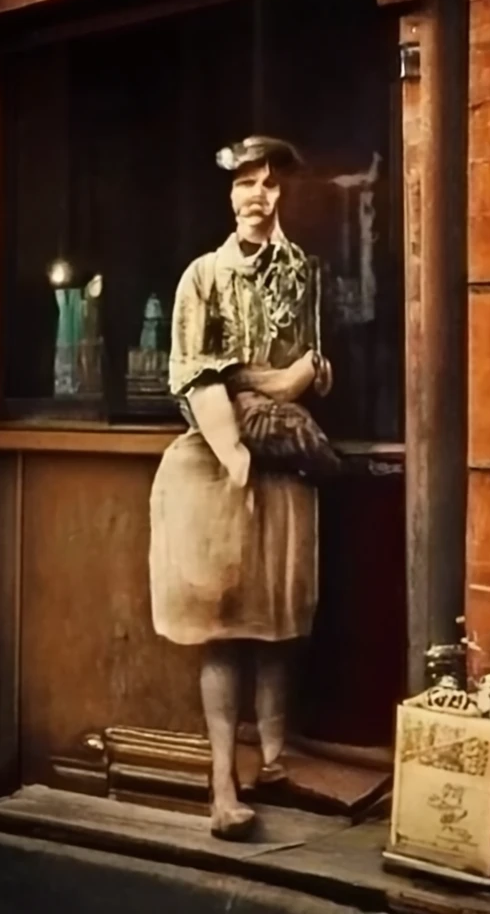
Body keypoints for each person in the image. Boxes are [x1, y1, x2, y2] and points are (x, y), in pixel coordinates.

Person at [149, 136, 331, 840]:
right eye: (247, 184)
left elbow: (316, 364)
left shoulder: (303, 272)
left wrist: (292, 379)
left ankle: (278, 765)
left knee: (277, 627)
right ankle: (221, 785)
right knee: (223, 632)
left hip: (286, 461)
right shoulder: (203, 276)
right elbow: (193, 374)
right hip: (220, 461)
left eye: (271, 185)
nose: (259, 196)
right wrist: (244, 421)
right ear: (229, 195)